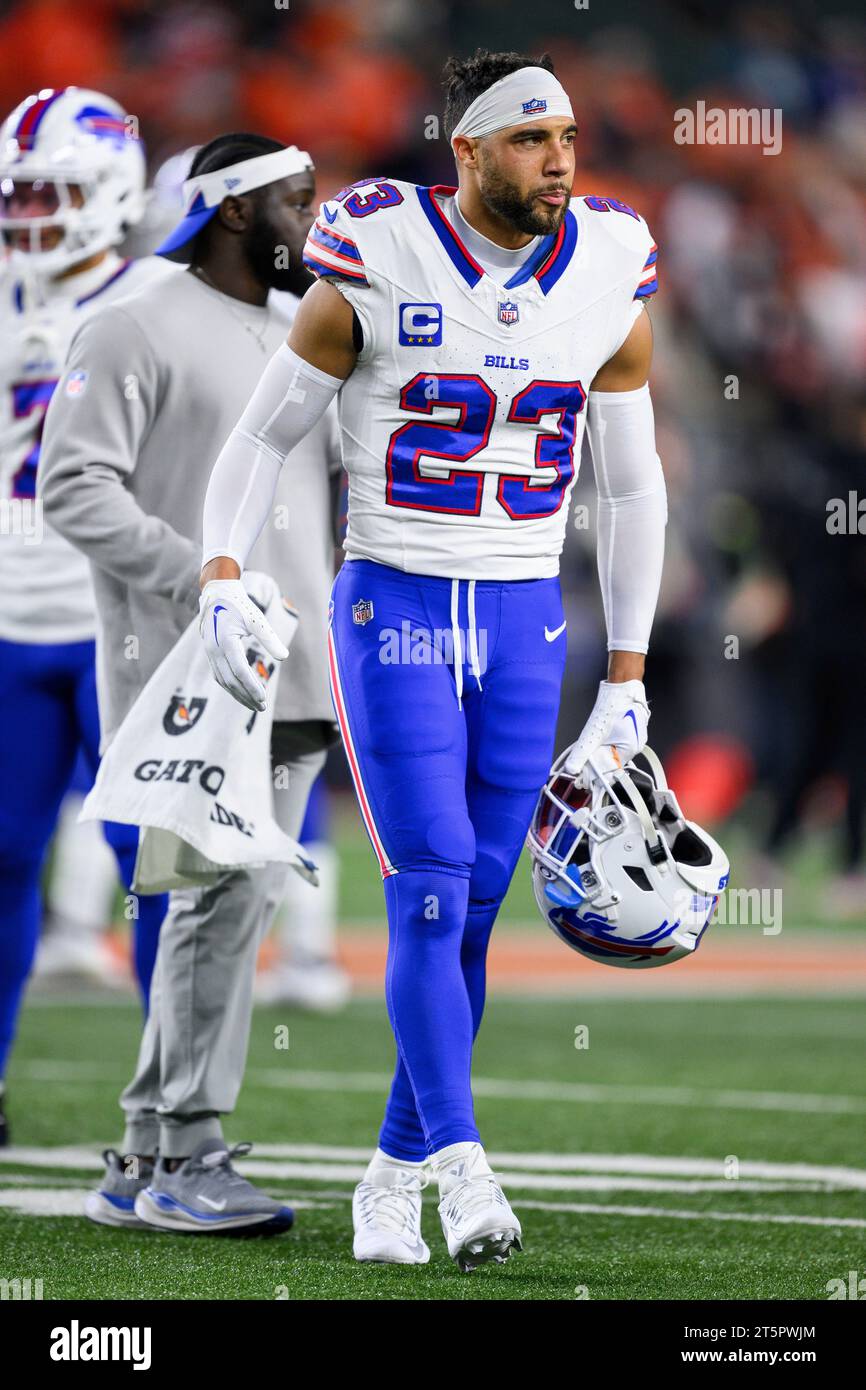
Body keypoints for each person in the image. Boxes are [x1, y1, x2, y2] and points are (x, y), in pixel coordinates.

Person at [198, 50, 667, 1271]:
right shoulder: (379, 246)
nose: (556, 157)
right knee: (427, 877)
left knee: (468, 915)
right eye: (525, 138)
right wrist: (221, 574)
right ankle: (463, 1168)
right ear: (463, 150)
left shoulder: (611, 265)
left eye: (564, 134)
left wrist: (627, 675)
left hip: (523, 613)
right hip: (396, 599)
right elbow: (262, 437)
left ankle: (385, 1174)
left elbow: (627, 485)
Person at [39, 133, 339, 1233]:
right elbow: (71, 486)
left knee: (225, 911)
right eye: (295, 200)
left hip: (299, 668)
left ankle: (142, 1154)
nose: (313, 217)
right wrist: (205, 579)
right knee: (207, 911)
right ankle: (185, 1155)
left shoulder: (305, 329)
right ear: (230, 211)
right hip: (185, 668)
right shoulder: (131, 321)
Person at [0, 87, 171, 1146]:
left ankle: (171, 1106)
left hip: (125, 622)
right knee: (5, 859)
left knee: (155, 864)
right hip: (11, 620)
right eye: (16, 195)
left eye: (52, 192)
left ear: (110, 190)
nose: (28, 217)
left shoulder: (162, 296)